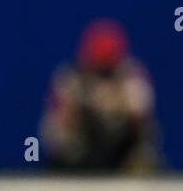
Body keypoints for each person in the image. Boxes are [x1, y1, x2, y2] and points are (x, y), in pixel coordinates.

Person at [39, 19, 159, 171]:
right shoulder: (70, 78)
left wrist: (110, 103)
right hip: (80, 154)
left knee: (144, 157)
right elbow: (56, 125)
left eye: (108, 65)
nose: (103, 71)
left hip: (120, 152)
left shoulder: (132, 76)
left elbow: (140, 116)